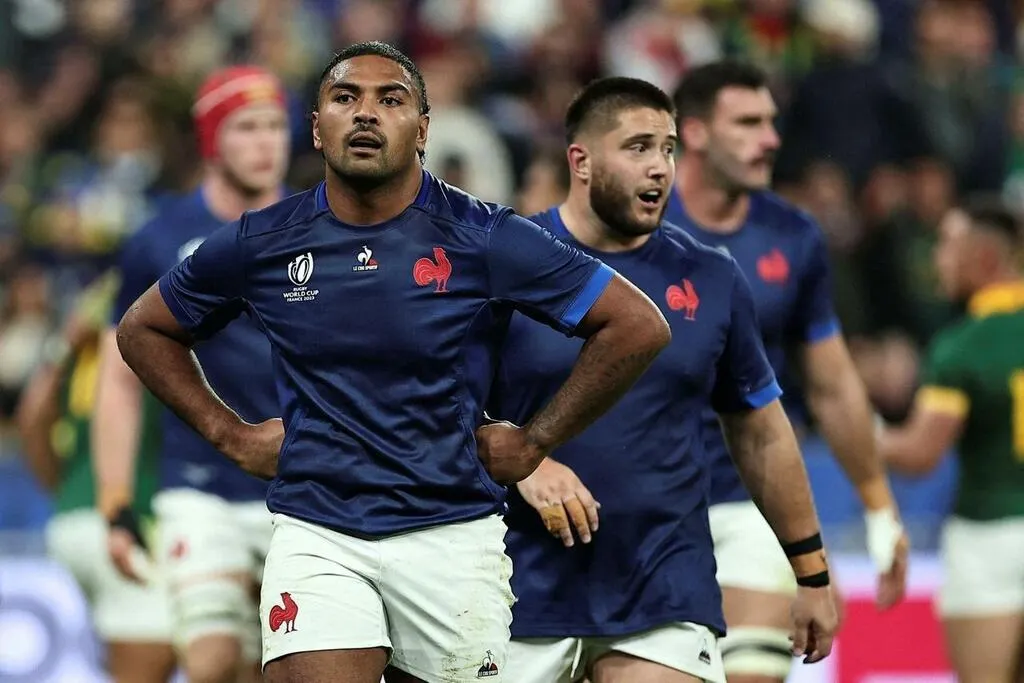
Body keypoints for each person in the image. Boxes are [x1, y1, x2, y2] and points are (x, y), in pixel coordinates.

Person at [113, 41, 672, 683]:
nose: (366, 113)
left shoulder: (485, 235)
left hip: (452, 533)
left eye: (391, 99)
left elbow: (636, 325)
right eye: (345, 98)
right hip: (317, 528)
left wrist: (538, 439)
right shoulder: (263, 241)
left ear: (423, 129)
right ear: (317, 129)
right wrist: (229, 434)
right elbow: (144, 328)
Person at [489, 76, 839, 683]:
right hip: (517, 587)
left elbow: (761, 432)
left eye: (669, 148)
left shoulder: (711, 277)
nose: (659, 168)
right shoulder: (506, 264)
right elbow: (438, 402)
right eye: (638, 147)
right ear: (581, 161)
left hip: (663, 588)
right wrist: (526, 459)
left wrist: (811, 574)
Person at [663, 60, 909, 683]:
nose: (771, 139)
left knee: (754, 673)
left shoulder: (793, 235)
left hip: (754, 504)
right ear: (693, 133)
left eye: (771, 122)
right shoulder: (635, 227)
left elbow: (832, 385)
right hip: (649, 500)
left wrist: (880, 508)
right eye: (748, 123)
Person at [92, 65, 291, 683]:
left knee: (282, 667)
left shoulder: (323, 228)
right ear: (211, 141)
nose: (266, 143)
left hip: (303, 483)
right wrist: (117, 503)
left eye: (277, 126)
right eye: (246, 127)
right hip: (200, 485)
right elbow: (119, 378)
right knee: (211, 661)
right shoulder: (158, 241)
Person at [878, 199, 1024, 683]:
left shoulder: (961, 347)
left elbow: (920, 454)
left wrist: (863, 436)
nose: (936, 258)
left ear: (983, 258)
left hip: (987, 538)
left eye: (947, 245)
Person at [16, 272, 177, 683]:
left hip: (73, 521)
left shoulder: (80, 346)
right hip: (128, 522)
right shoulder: (158, 321)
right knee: (147, 662)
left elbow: (31, 418)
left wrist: (68, 494)